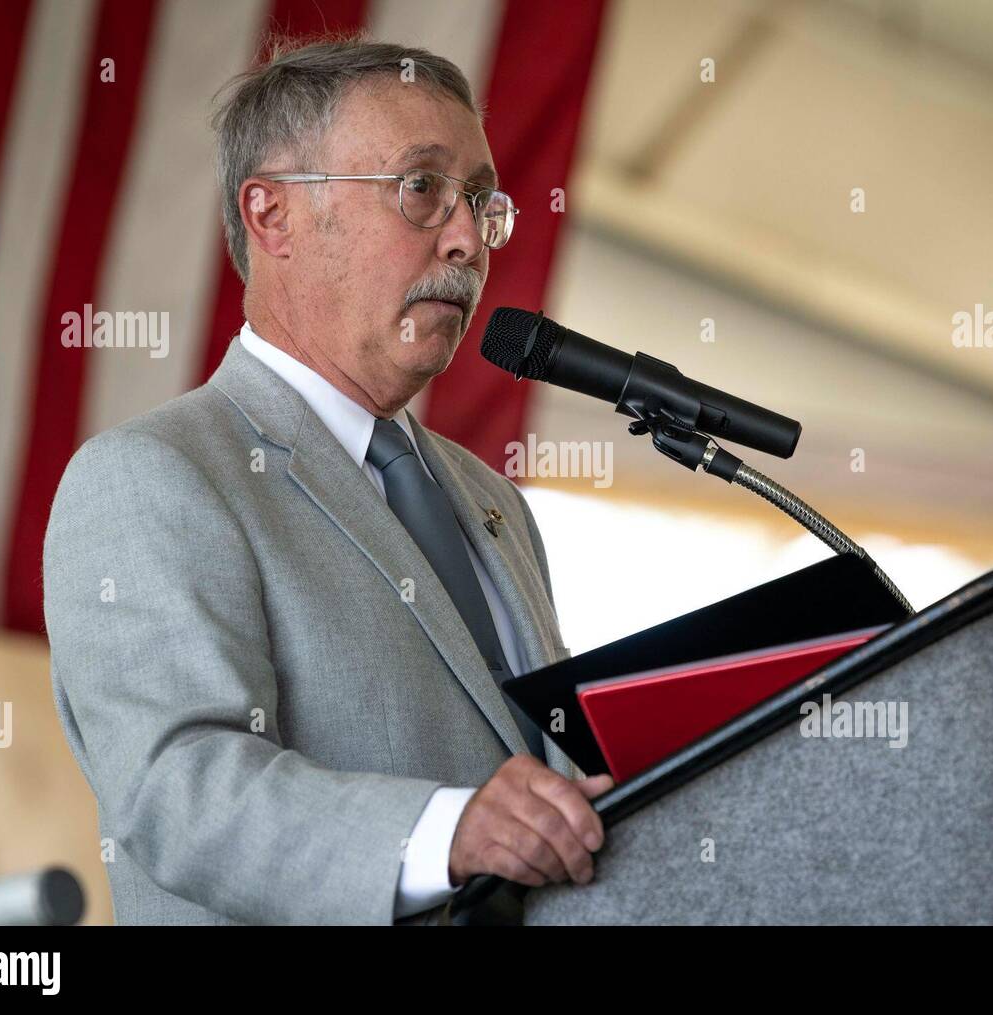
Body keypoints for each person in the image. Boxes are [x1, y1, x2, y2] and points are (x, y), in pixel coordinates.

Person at [42, 35, 613, 926]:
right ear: (272, 216)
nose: (466, 239)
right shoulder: (153, 477)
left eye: (477, 201)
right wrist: (442, 832)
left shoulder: (494, 505)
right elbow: (180, 791)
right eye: (421, 188)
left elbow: (544, 784)